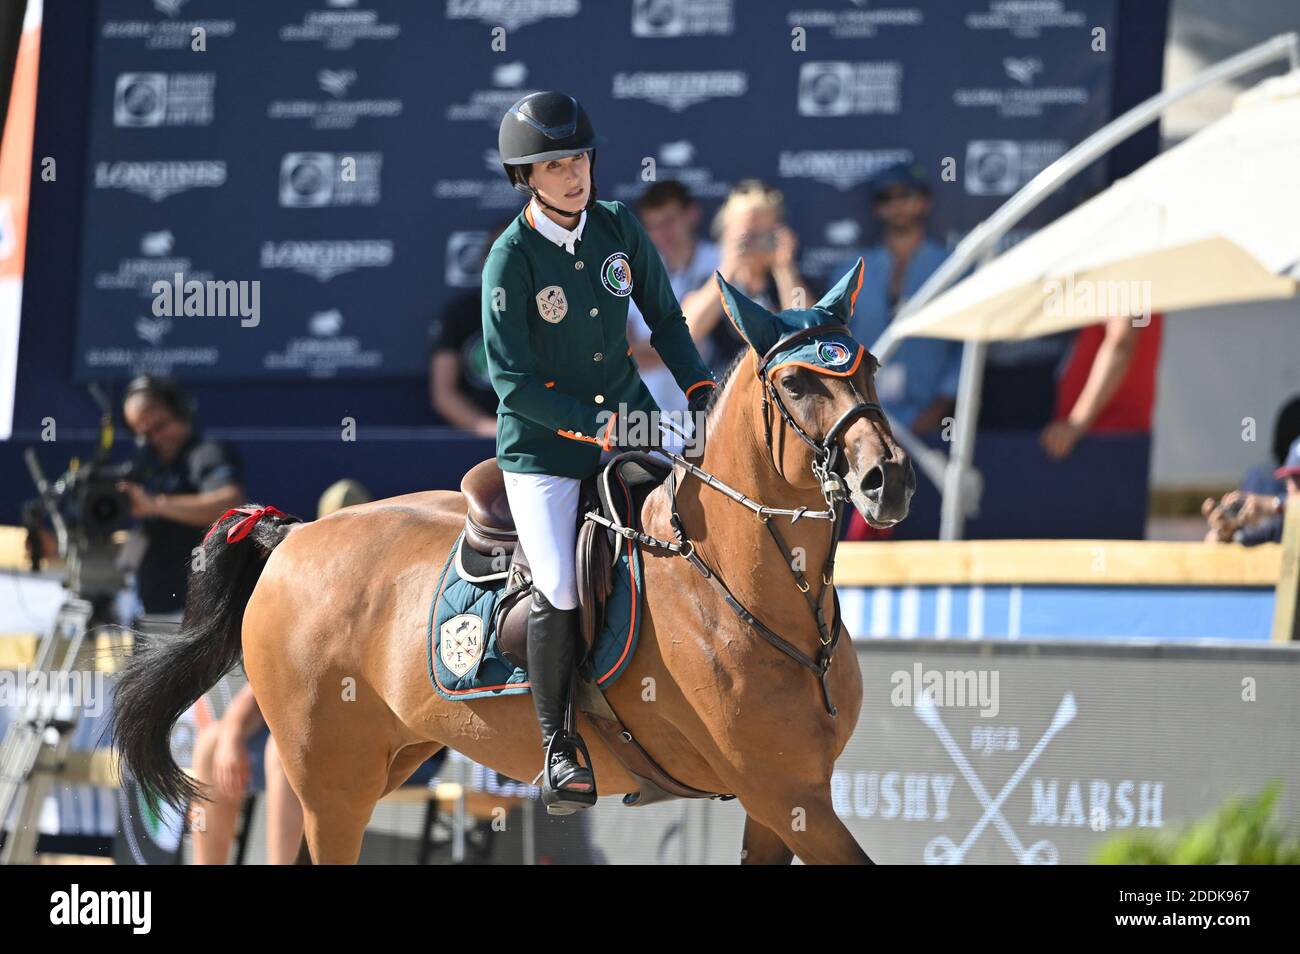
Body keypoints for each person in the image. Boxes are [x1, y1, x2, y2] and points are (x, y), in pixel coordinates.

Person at [485, 90, 716, 813]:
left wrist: (702, 388)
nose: (572, 173)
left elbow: (667, 317)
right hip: (543, 454)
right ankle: (559, 747)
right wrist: (592, 425)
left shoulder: (617, 225)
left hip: (635, 422)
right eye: (553, 164)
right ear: (526, 177)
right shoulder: (510, 259)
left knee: (696, 532)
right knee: (557, 582)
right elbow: (513, 386)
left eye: (578, 158)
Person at [190, 478, 372, 864]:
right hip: (319, 732)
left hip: (377, 736)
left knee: (286, 751)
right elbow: (265, 684)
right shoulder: (312, 586)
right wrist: (232, 736)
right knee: (212, 744)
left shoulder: (372, 590)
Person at [829, 161, 961, 437]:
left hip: (932, 420)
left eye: (906, 195)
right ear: (876, 208)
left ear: (925, 201)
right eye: (886, 197)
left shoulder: (953, 268)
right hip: (862, 417)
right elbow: (832, 342)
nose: (897, 205)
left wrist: (940, 408)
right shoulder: (850, 271)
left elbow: (966, 347)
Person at [117, 375, 244, 616]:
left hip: (196, 612)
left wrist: (155, 504)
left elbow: (230, 502)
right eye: (143, 434)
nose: (155, 438)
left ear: (180, 411)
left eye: (160, 426)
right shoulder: (149, 463)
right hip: (151, 608)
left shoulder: (207, 453)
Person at [679, 179, 806, 377]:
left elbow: (806, 333)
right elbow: (687, 333)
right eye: (747, 236)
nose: (755, 243)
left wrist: (784, 268)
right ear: (727, 234)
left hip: (780, 392)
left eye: (763, 235)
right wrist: (728, 268)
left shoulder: (788, 283)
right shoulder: (710, 283)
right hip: (723, 394)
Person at [626, 181, 720, 427]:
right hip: (644, 418)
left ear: (692, 214)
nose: (662, 234)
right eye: (653, 226)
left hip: (707, 415)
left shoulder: (722, 263)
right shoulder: (637, 269)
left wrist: (646, 349)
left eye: (669, 222)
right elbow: (620, 353)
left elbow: (696, 343)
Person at [1040, 313, 1165, 459]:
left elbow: (1121, 344)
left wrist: (1076, 422)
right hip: (1097, 436)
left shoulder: (1125, 290)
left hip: (1101, 436)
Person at [429, 222, 512, 437]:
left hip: (541, 439)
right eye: (496, 253)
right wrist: (487, 428)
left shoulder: (551, 311)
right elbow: (444, 394)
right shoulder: (461, 314)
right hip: (478, 438)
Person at [1203, 401, 1300, 546]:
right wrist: (1226, 530)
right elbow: (1241, 539)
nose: (1294, 486)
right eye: (1292, 478)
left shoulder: (1280, 508)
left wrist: (1272, 505)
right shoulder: (1283, 523)